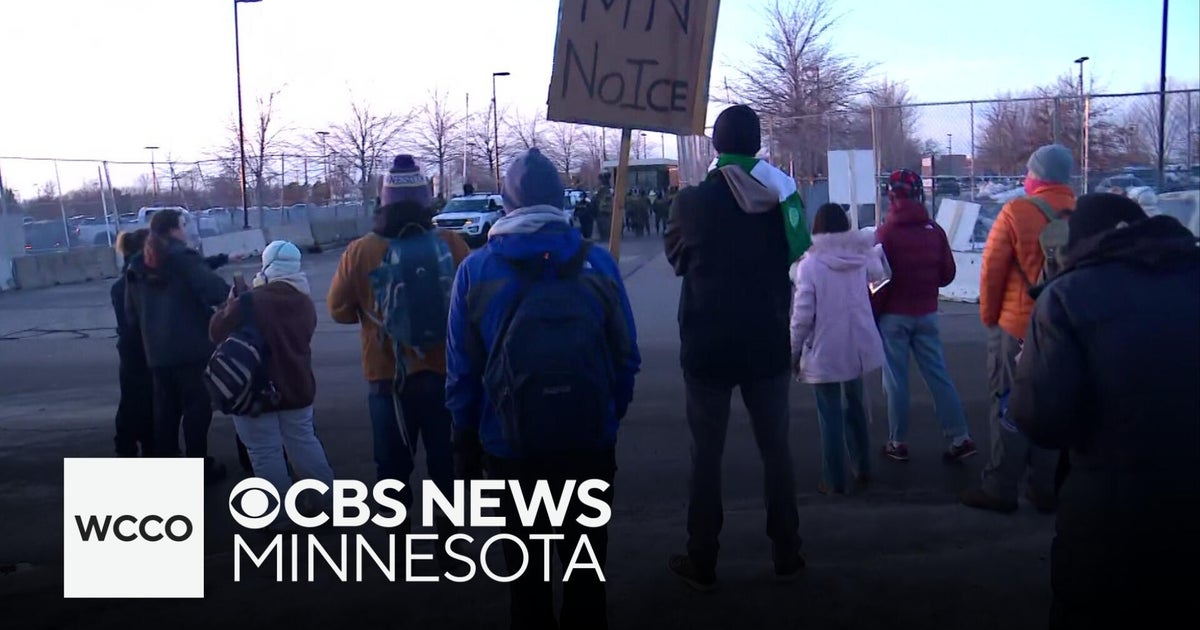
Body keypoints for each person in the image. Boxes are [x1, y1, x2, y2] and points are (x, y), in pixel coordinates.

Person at [446, 148, 640, 630]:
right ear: (559, 200)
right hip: (589, 442)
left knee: (526, 575)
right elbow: (625, 355)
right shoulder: (598, 264)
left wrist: (466, 438)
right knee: (584, 571)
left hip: (510, 446)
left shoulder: (475, 270)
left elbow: (462, 370)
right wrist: (607, 417)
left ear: (506, 206)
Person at [1010, 193, 1200, 628]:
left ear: (1077, 245)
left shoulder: (1066, 298)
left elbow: (1041, 419)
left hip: (1111, 521)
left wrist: (1030, 367)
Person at [664, 104, 807, 591]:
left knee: (705, 454)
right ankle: (787, 550)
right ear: (758, 144)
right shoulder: (784, 196)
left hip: (706, 343)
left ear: (717, 147)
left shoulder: (691, 202)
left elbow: (677, 260)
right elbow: (797, 252)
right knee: (777, 451)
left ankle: (702, 555)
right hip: (766, 340)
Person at [327, 155, 470, 517]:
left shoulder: (361, 251)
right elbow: (472, 303)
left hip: (388, 380)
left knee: (391, 470)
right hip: (443, 375)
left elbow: (338, 310)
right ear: (425, 200)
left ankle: (398, 545)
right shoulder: (451, 242)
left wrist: (375, 315)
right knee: (445, 467)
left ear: (384, 201)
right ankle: (447, 545)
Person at [961, 144, 1075, 514]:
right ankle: (1044, 486)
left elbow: (991, 272)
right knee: (1053, 406)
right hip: (1065, 330)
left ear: (1037, 176)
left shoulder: (1015, 211)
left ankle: (1000, 486)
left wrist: (990, 318)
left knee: (1007, 404)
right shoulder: (1082, 213)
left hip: (1016, 327)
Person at [210, 240, 333, 525]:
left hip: (255, 391)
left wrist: (231, 304)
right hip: (298, 388)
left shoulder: (250, 301)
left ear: (267, 265)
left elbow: (216, 331)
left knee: (266, 453)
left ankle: (279, 519)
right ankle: (326, 505)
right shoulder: (304, 301)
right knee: (305, 444)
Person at [873, 169, 976, 462]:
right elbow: (947, 275)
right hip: (927, 314)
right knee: (938, 375)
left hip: (893, 317)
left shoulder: (885, 234)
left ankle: (898, 442)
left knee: (896, 381)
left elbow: (878, 283)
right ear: (919, 195)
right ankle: (960, 437)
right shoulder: (935, 230)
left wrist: (873, 316)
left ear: (891, 196)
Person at [125, 209, 230, 482]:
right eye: (183, 224)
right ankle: (198, 467)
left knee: (166, 411)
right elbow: (216, 291)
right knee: (197, 409)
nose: (186, 230)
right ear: (174, 228)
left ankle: (168, 466)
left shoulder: (137, 264)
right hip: (192, 349)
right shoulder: (183, 257)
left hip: (157, 353)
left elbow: (130, 313)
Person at [791, 203, 885, 494]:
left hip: (825, 349)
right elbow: (879, 270)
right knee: (855, 405)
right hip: (857, 346)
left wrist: (793, 351)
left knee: (828, 413)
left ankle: (833, 479)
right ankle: (862, 466)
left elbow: (803, 315)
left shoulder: (810, 265)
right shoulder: (859, 257)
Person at [112, 229, 155, 457]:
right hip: (142, 350)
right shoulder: (136, 281)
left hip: (130, 351)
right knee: (145, 401)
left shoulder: (123, 282)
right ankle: (146, 447)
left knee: (131, 400)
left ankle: (127, 446)